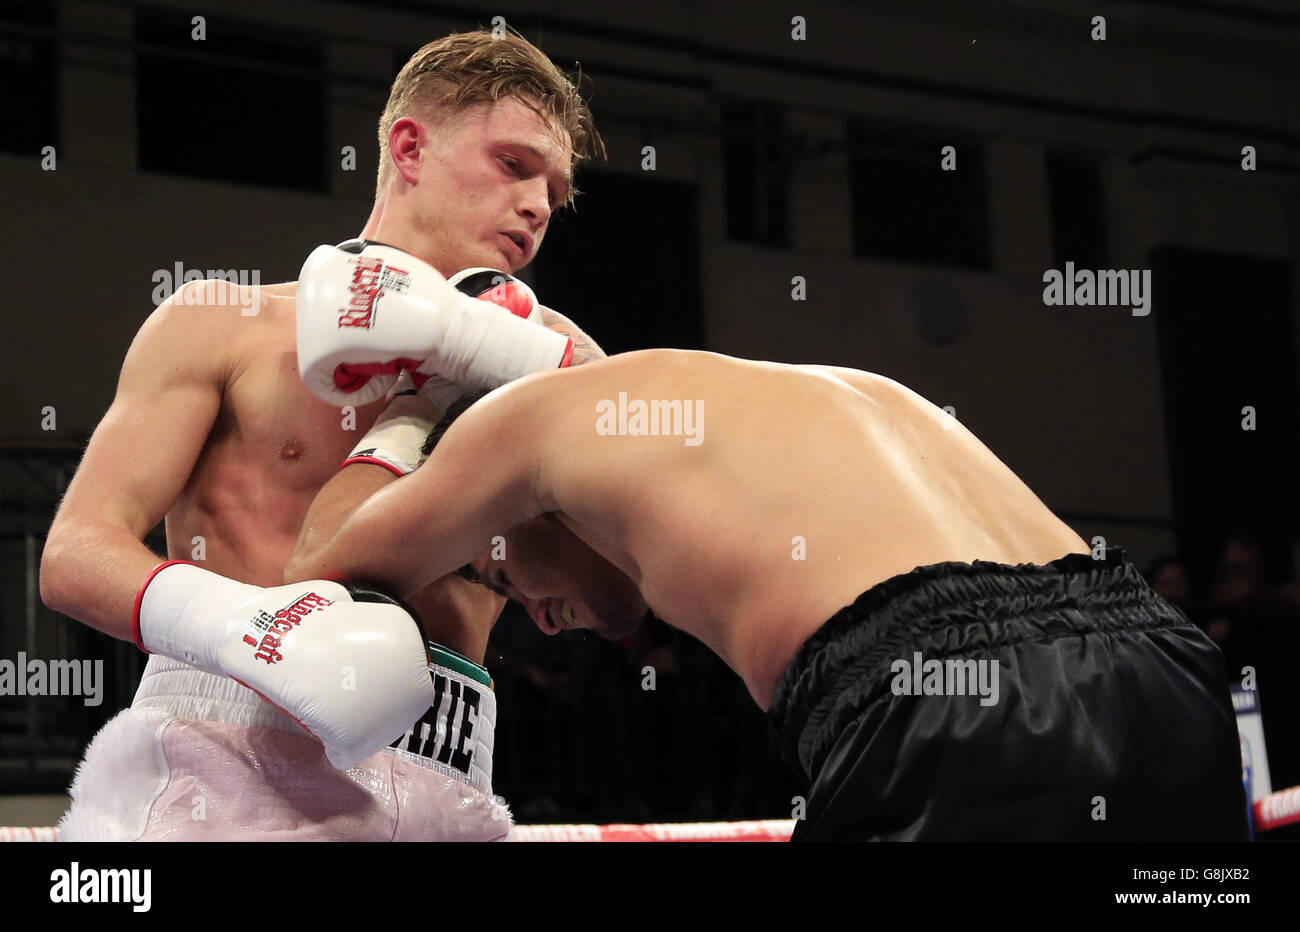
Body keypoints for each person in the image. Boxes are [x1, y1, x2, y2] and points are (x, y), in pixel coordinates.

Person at [288, 349, 1251, 841]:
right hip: (1161, 671)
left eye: (500, 571)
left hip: (950, 703)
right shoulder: (823, 390)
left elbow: (319, 570)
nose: (537, 617)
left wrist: (407, 408)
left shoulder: (520, 417)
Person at [40, 29, 606, 841]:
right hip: (230, 760)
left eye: (556, 189)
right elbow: (73, 555)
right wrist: (255, 634)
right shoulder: (222, 324)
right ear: (409, 147)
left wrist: (534, 366)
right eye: (514, 165)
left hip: (449, 776)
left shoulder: (547, 364)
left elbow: (621, 584)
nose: (539, 205)